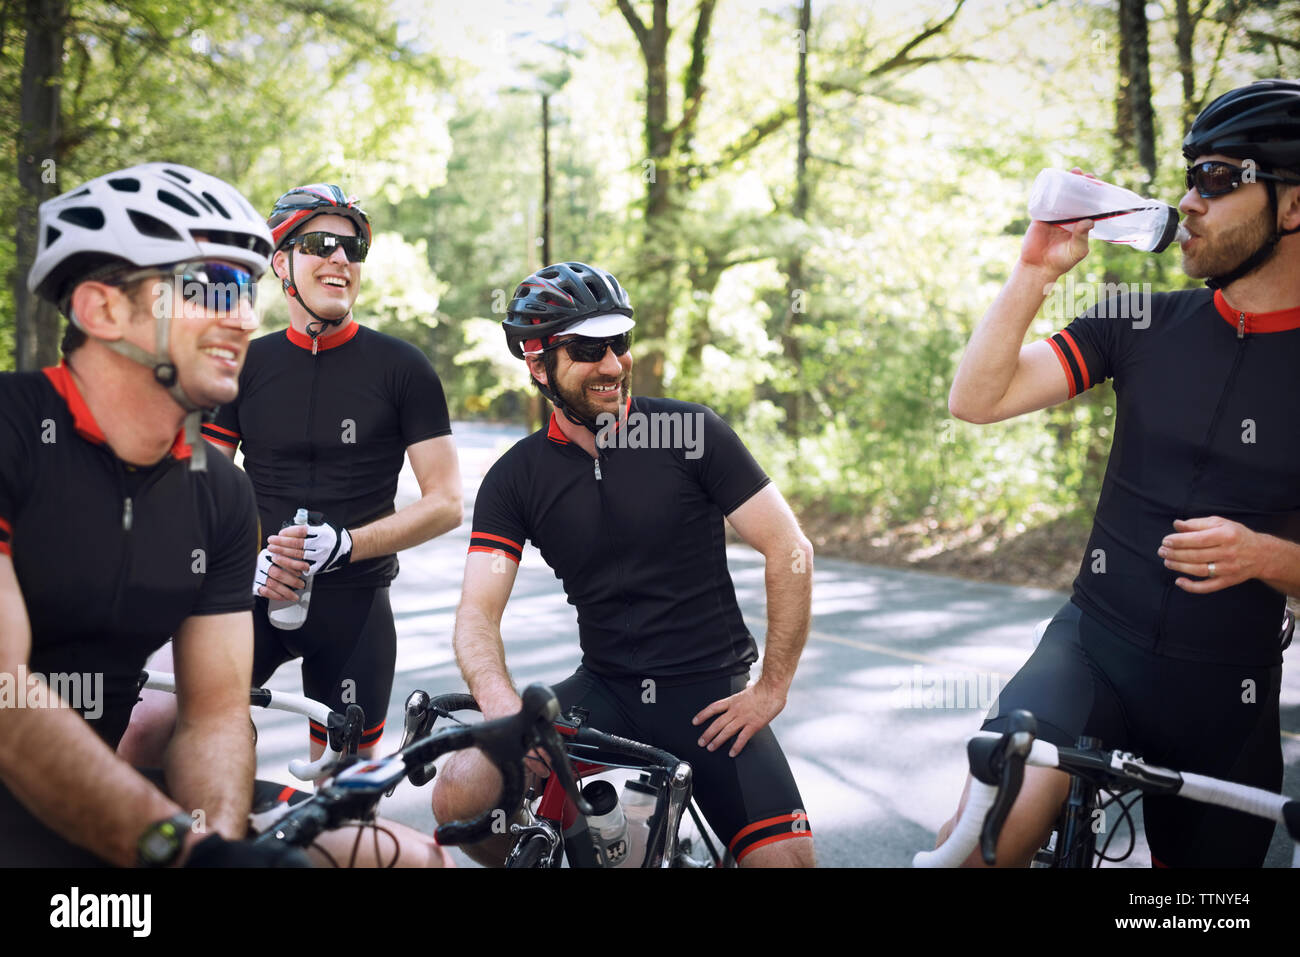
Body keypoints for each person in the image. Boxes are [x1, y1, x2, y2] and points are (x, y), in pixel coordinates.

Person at [942, 79, 1300, 867]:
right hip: (1092, 652)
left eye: (1217, 178)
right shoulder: (1141, 319)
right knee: (978, 837)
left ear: (1293, 206)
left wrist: (1267, 557)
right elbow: (976, 398)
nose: (1188, 201)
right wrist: (1035, 270)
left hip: (1228, 697)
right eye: (1188, 176)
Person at [430, 261, 816, 867]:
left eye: (620, 343)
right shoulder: (515, 478)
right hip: (604, 691)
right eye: (587, 349)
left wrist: (771, 688)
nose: (612, 364)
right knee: (462, 789)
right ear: (538, 365)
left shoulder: (690, 432)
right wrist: (505, 713)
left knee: (788, 862)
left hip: (710, 702)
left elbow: (790, 549)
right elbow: (476, 616)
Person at [0, 161, 304, 866]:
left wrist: (218, 843)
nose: (246, 316)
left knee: (393, 851)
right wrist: (179, 848)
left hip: (95, 825)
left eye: (249, 289)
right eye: (211, 285)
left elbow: (216, 714)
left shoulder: (220, 493)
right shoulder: (12, 433)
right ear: (103, 309)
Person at [123, 183, 463, 767]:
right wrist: (239, 560)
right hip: (247, 593)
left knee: (344, 799)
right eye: (320, 243)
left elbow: (447, 502)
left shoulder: (403, 368)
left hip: (354, 610)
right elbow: (194, 488)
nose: (340, 258)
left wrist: (346, 545)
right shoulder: (247, 363)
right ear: (281, 262)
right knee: (149, 729)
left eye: (352, 249)